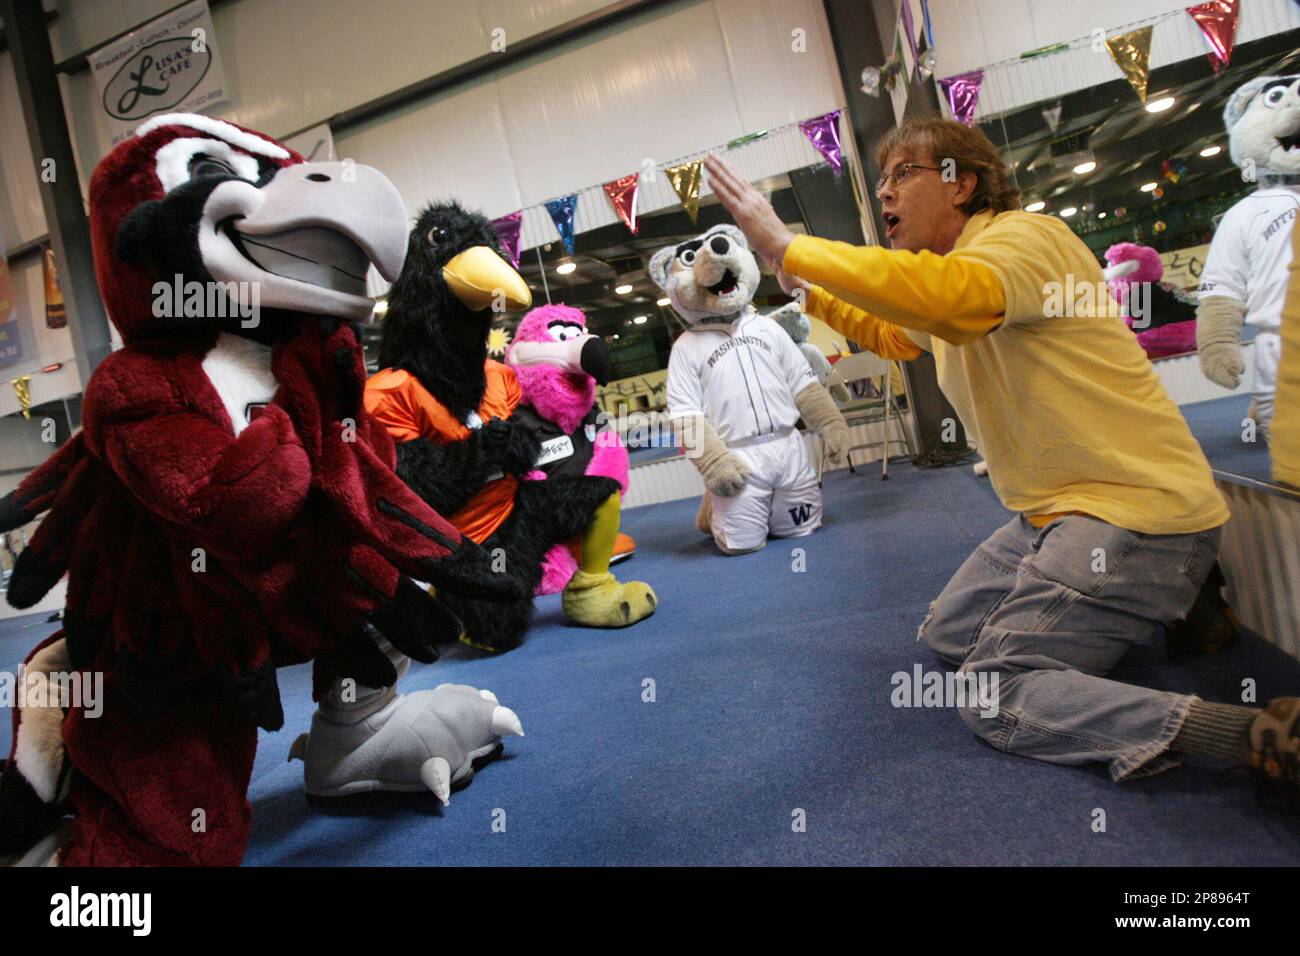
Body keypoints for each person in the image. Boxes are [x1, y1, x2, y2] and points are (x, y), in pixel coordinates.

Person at [702, 118, 1298, 799]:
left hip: (1136, 513)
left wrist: (794, 245)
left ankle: (1249, 734)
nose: (885, 195)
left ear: (963, 183)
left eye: (903, 175)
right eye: (881, 181)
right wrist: (799, 278)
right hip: (1058, 514)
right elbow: (897, 333)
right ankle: (1166, 604)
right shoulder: (962, 278)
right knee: (950, 633)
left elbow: (953, 299)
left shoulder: (1024, 241)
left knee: (990, 693)